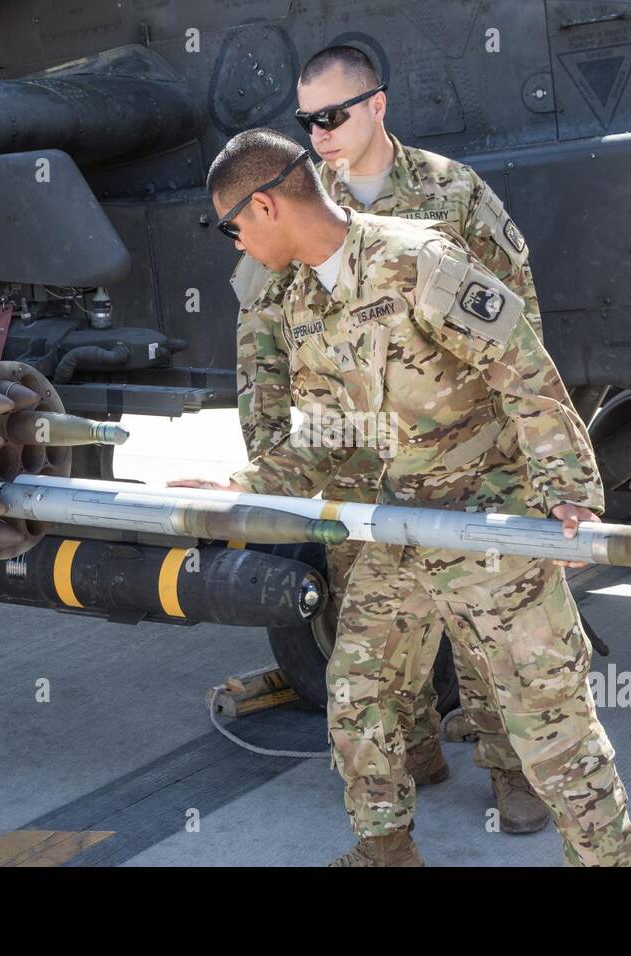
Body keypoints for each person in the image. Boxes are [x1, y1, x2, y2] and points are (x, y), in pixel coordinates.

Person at [178, 128, 631, 867]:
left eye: (231, 226)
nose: (233, 244)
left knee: (552, 726)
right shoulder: (301, 300)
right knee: (359, 695)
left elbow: (521, 366)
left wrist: (569, 494)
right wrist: (242, 489)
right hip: (401, 528)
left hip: (489, 523)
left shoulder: (417, 259)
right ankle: (384, 851)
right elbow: (331, 437)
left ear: (265, 206)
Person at [231, 45, 550, 832]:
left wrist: (525, 456)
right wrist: (267, 457)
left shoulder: (453, 195)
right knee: (373, 624)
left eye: (333, 115)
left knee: (487, 626)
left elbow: (518, 324)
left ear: (378, 105)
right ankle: (412, 755)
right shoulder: (300, 200)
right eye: (307, 121)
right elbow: (259, 331)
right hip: (352, 457)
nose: (321, 134)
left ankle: (511, 772)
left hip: (463, 454)